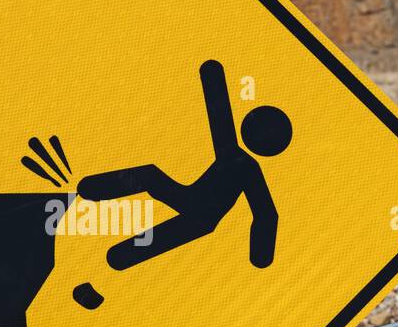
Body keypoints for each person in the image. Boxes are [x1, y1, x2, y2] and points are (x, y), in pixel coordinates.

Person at [77, 60, 292, 270]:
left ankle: (112, 254)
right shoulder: (235, 156)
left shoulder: (247, 167)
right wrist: (212, 75)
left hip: (203, 218)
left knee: (142, 240)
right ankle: (90, 190)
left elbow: (266, 214)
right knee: (151, 177)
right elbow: (220, 115)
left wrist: (261, 256)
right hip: (194, 201)